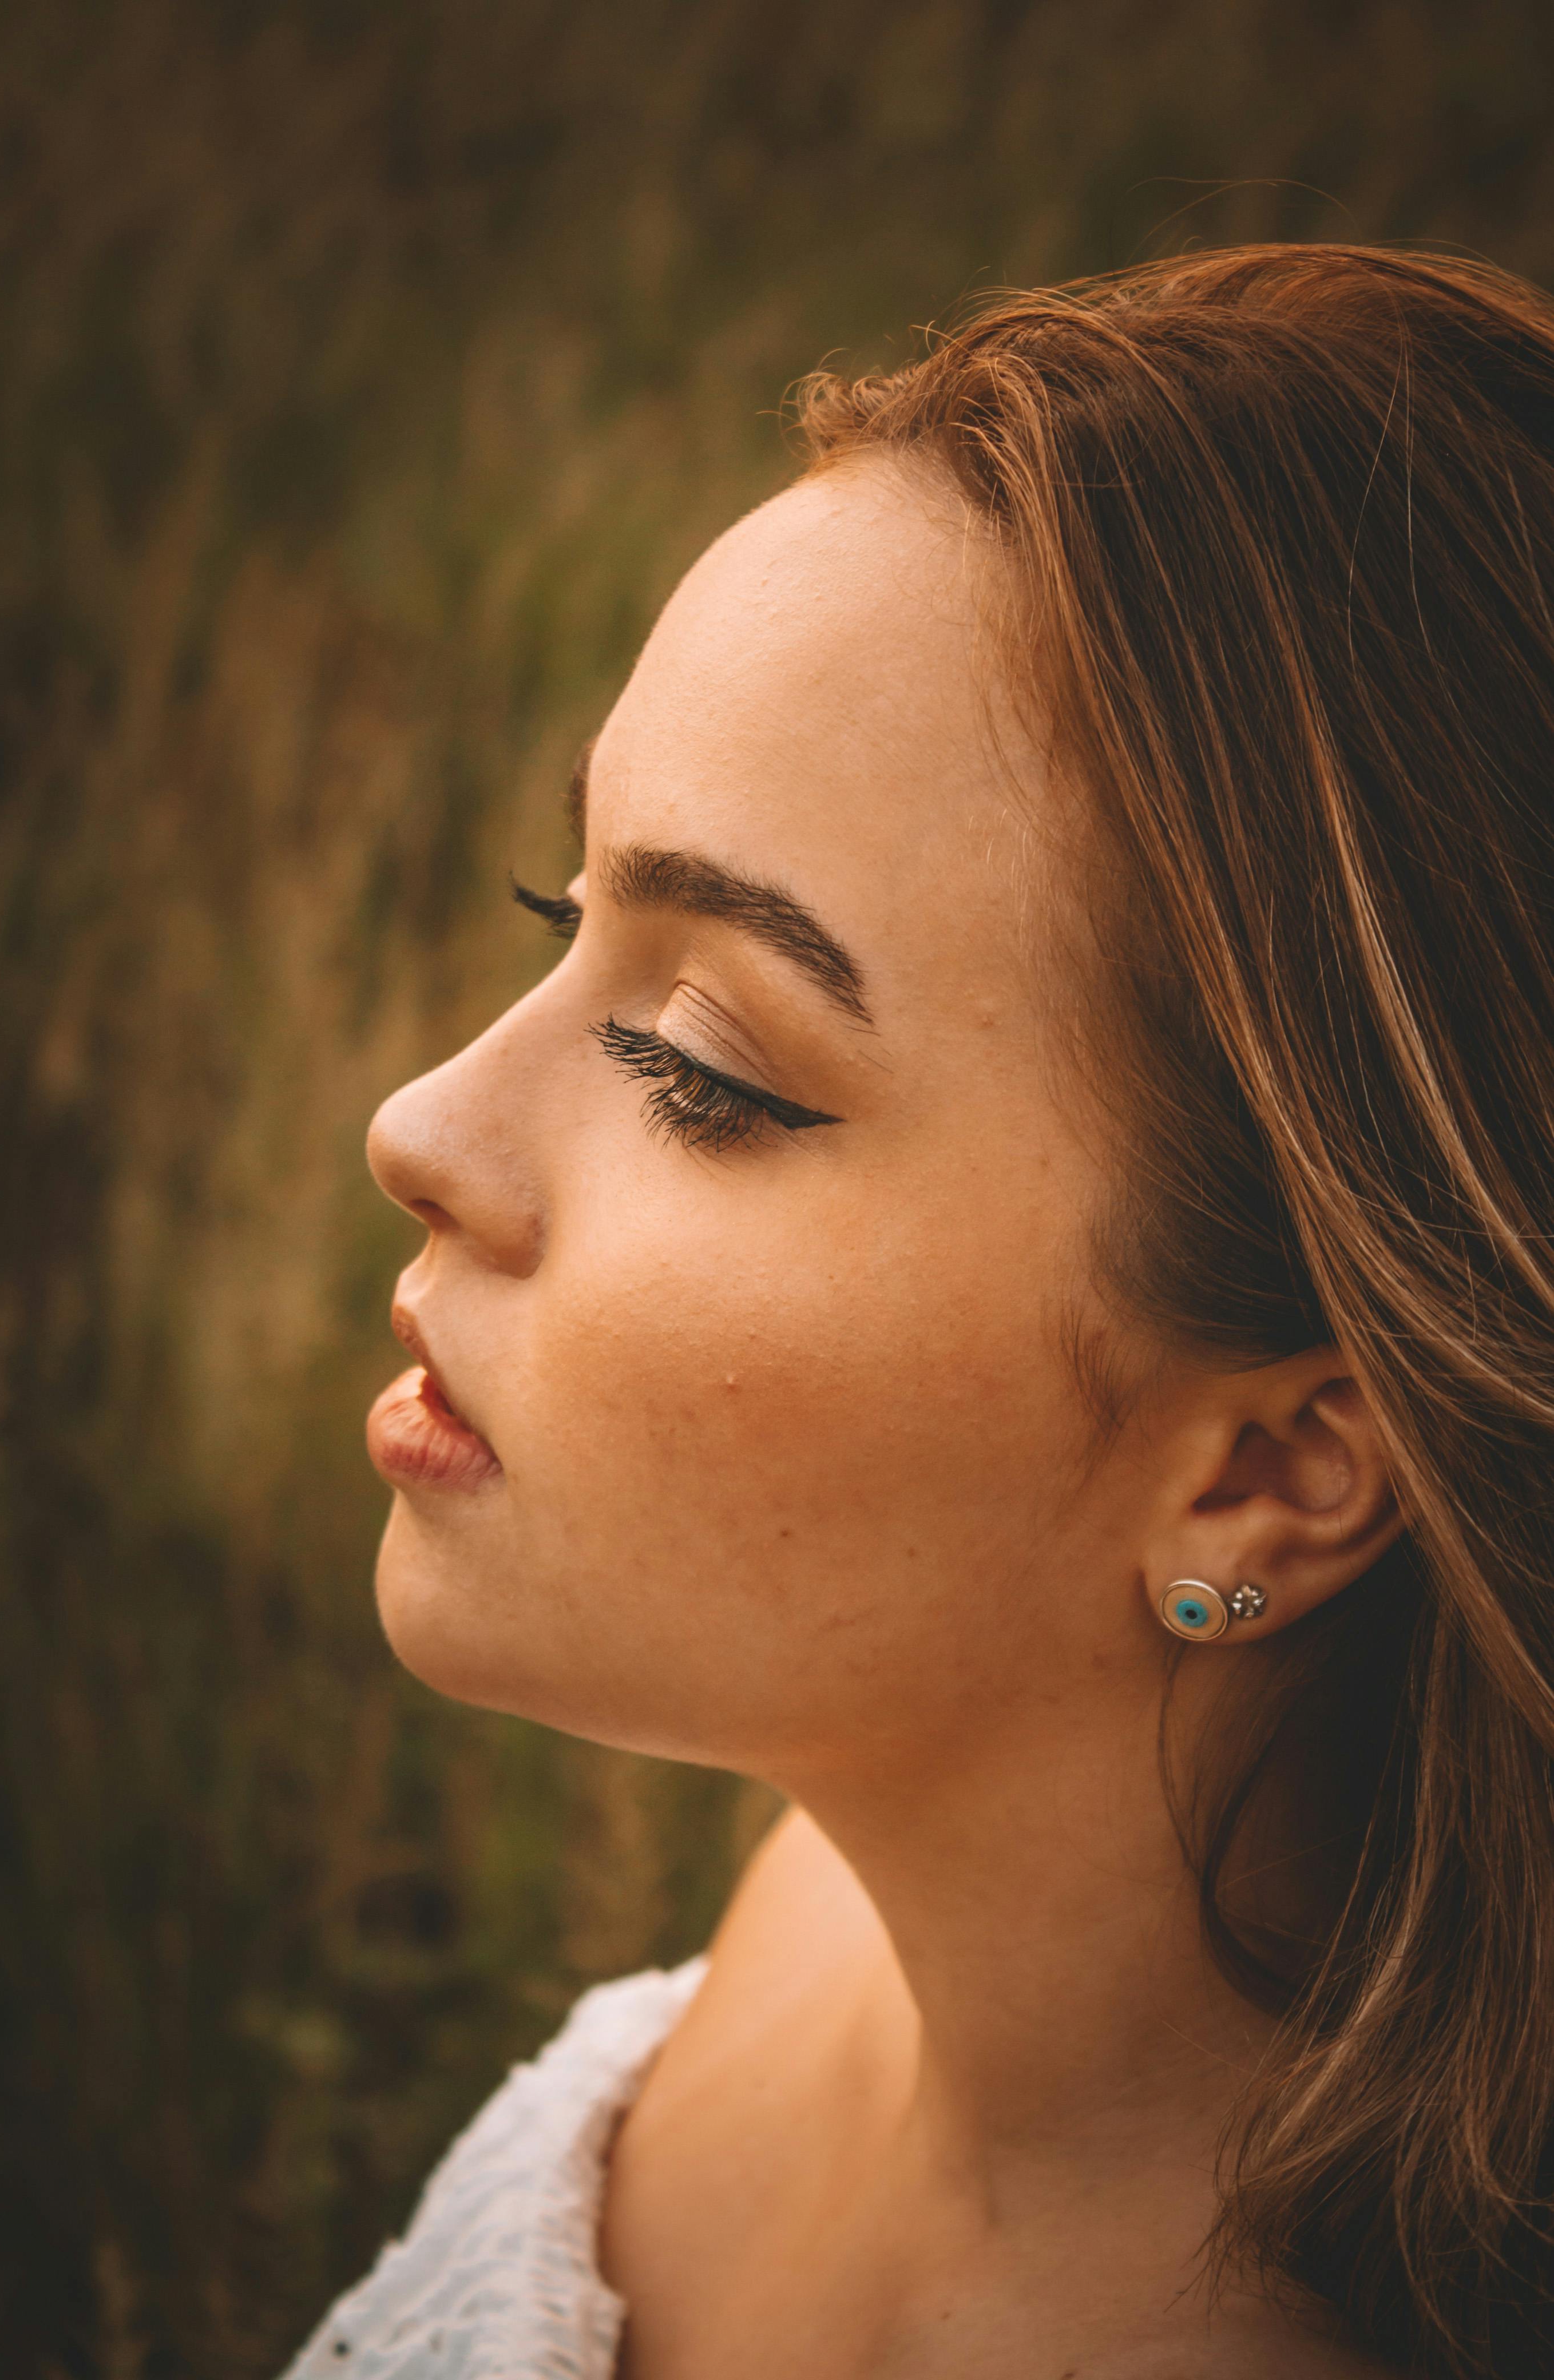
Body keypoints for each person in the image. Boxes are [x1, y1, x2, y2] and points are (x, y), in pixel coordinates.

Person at [280, 245, 1554, 2379]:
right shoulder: (847, 1893)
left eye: (700, 1062)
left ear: (1269, 1471)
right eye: (561, 918)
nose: (419, 1126)